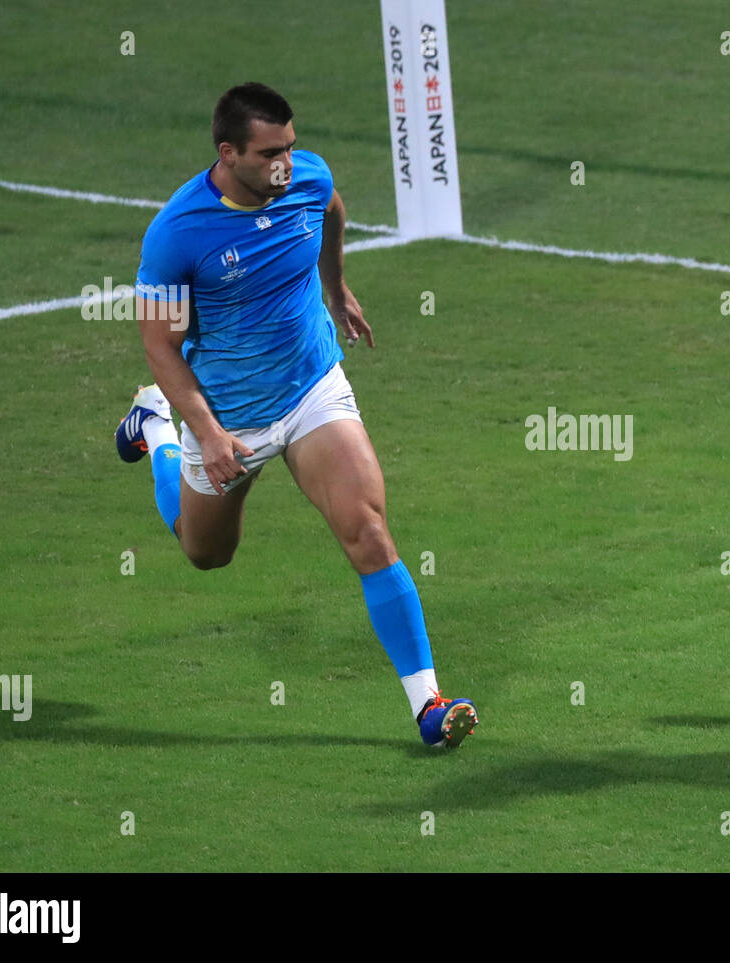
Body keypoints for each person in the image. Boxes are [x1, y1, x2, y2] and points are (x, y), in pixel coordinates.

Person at [116, 82, 476, 748]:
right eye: (269, 153)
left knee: (366, 527)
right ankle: (155, 430)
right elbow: (159, 345)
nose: (286, 163)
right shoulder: (177, 233)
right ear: (228, 154)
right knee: (207, 554)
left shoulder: (308, 178)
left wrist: (336, 287)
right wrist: (204, 430)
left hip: (311, 388)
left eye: (290, 146)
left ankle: (428, 702)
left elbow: (331, 211)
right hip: (226, 418)